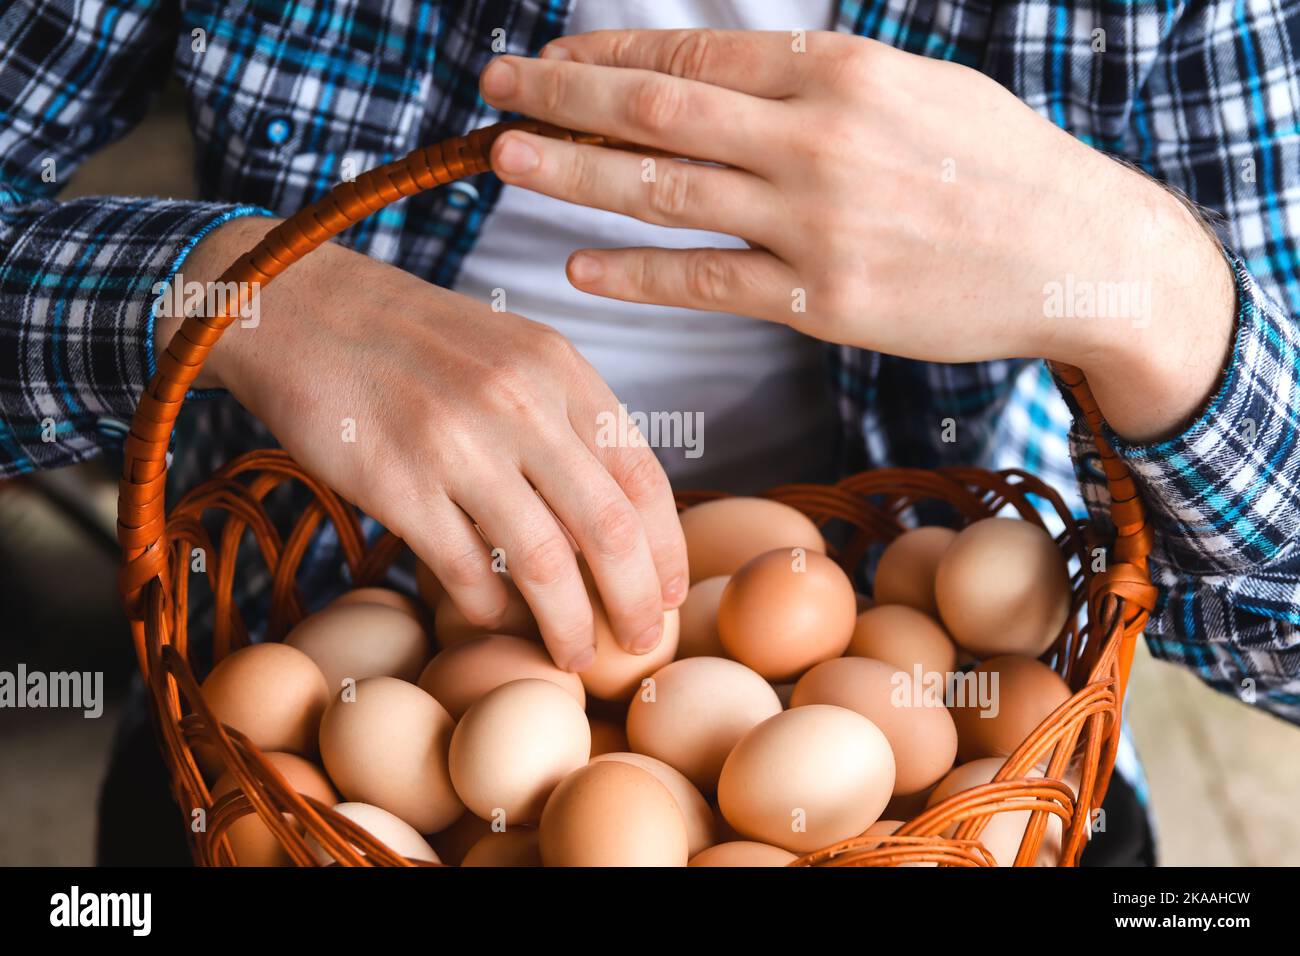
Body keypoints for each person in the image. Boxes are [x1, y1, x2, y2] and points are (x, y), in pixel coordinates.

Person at [2, 1, 1296, 866]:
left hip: (959, 746)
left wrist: (1138, 279)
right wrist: (237, 292)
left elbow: (1279, 631)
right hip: (294, 718)